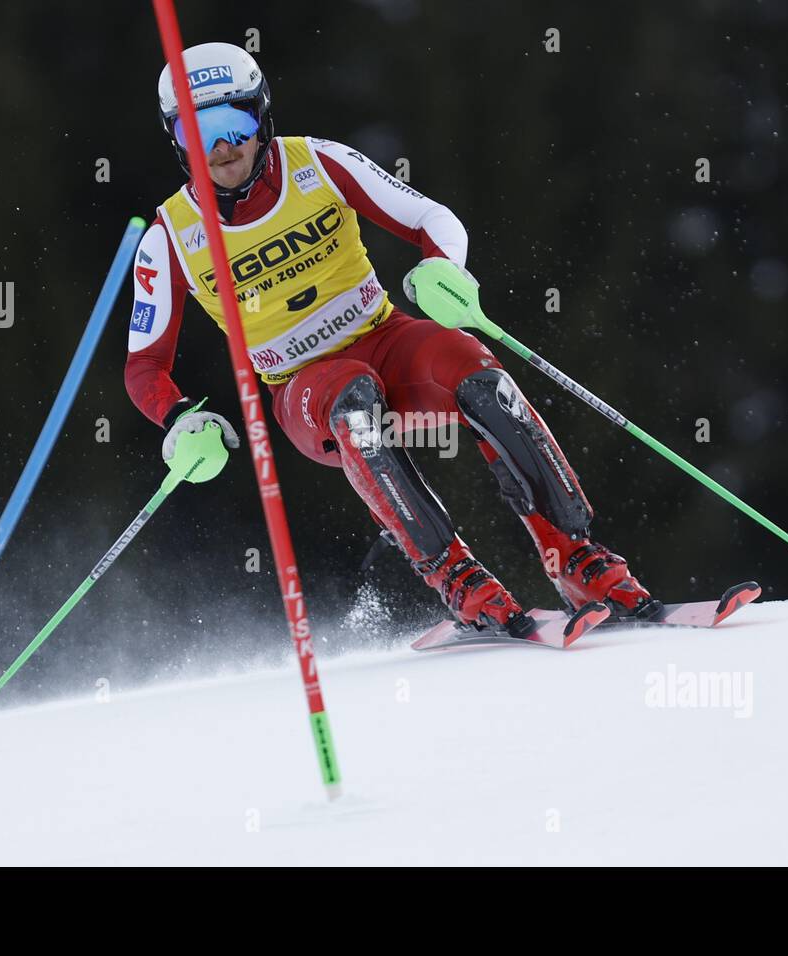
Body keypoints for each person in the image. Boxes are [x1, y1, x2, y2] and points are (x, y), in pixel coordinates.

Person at [125, 41, 656, 635]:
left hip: (385, 337)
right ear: (177, 140)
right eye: (200, 133)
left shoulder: (318, 164)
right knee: (354, 400)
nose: (222, 148)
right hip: (304, 387)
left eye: (234, 122)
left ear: (262, 117)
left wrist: (444, 268)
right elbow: (144, 365)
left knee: (482, 379)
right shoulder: (170, 235)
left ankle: (577, 558)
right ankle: (459, 581)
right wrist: (177, 419)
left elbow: (434, 219)